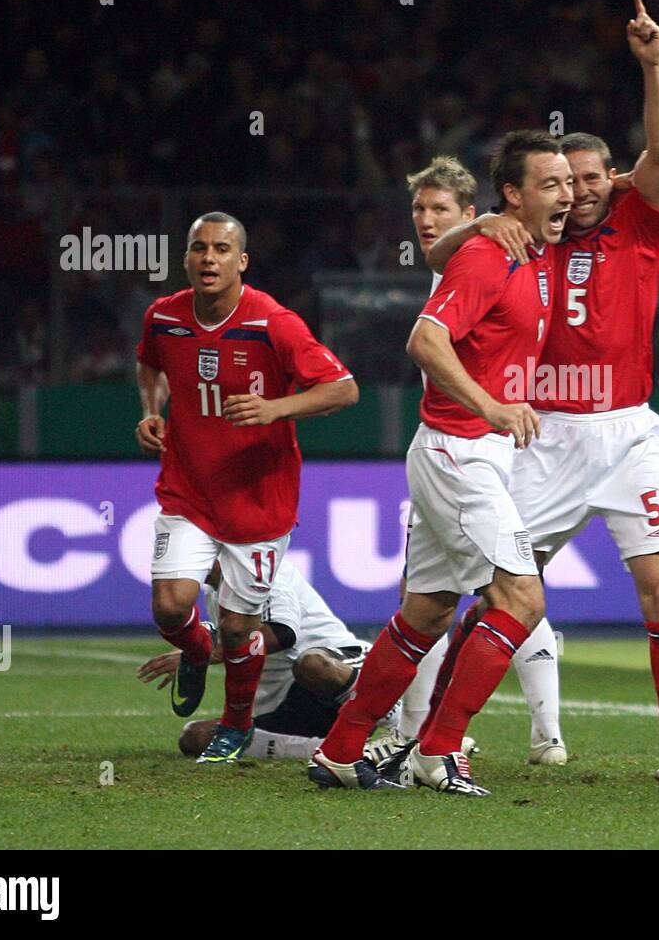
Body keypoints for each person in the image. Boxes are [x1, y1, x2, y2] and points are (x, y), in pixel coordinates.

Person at [424, 0, 659, 797]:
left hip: (626, 434)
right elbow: (436, 252)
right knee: (500, 594)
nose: (580, 191)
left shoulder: (640, 223)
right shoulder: (525, 237)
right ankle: (435, 740)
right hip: (541, 435)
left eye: (592, 177)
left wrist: (652, 63)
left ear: (612, 178)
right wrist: (483, 223)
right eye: (566, 179)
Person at [309, 130, 569, 796]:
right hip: (459, 452)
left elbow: (611, 186)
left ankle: (340, 751)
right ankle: (439, 749)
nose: (567, 194)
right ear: (514, 195)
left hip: (463, 453)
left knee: (425, 613)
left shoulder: (530, 249)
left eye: (571, 182)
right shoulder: (491, 255)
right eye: (551, 184)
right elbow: (425, 341)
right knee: (522, 597)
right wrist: (493, 405)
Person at [135, 212, 358, 763]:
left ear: (242, 261)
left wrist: (275, 408)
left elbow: (344, 390)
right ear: (186, 258)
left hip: (260, 499)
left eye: (221, 249)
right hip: (189, 489)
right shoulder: (163, 317)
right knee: (169, 607)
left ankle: (236, 726)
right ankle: (194, 650)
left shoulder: (274, 323)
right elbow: (148, 364)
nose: (209, 258)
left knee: (238, 630)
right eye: (199, 248)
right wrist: (151, 410)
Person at [398, 156, 566, 764]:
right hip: (456, 442)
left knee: (506, 593)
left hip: (479, 443)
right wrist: (478, 225)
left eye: (440, 209)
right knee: (449, 600)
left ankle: (540, 732)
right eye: (419, 208)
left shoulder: (493, 250)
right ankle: (417, 737)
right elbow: (435, 256)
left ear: (473, 211)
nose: (426, 220)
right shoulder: (469, 250)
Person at [137, 559, 413, 762]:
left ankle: (403, 730)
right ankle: (339, 751)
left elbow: (282, 633)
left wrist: (201, 655)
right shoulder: (214, 592)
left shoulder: (264, 573)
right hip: (289, 700)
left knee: (310, 664)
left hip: (341, 667)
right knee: (194, 737)